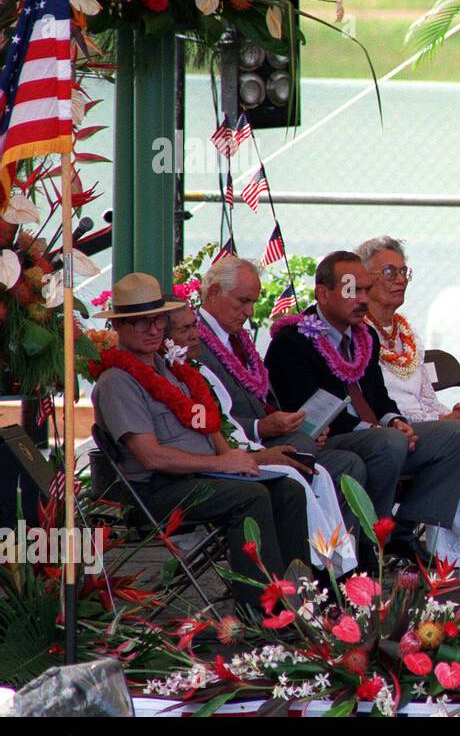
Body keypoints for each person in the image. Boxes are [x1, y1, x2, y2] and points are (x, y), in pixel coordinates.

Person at [89, 273, 310, 611]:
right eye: (138, 323)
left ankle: (301, 600)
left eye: (157, 320)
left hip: (204, 477)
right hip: (158, 489)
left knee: (288, 489)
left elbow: (209, 427)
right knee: (249, 497)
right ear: (119, 327)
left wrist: (244, 459)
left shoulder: (174, 369)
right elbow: (151, 458)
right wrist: (222, 464)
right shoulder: (117, 381)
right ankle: (265, 611)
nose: (151, 330)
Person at [265, 251, 460, 564]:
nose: (363, 299)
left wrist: (395, 420)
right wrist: (381, 431)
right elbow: (308, 416)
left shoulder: (365, 337)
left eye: (366, 289)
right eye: (353, 291)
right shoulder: (294, 340)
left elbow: (377, 396)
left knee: (456, 435)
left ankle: (401, 531)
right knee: (388, 441)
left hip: (375, 436)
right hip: (327, 439)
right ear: (323, 293)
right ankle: (368, 540)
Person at [358, 235, 460, 589]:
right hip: (391, 432)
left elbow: (425, 398)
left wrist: (456, 412)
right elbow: (377, 403)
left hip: (429, 427)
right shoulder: (359, 334)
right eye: (389, 271)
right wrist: (445, 423)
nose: (400, 278)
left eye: (404, 271)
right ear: (364, 278)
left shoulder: (407, 333)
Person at [166, 304, 358, 576]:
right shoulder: (167, 380)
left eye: (195, 325)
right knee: (291, 481)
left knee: (319, 474)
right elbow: (205, 446)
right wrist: (260, 457)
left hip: (239, 452)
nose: (195, 335)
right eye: (185, 329)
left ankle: (339, 571)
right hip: (206, 472)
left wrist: (257, 454)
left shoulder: (199, 370)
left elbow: (223, 431)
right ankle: (312, 578)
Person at [195, 256, 368, 504]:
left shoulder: (238, 339)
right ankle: (303, 540)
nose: (250, 312)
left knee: (348, 464)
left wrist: (301, 425)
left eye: (253, 302)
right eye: (243, 301)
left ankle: (343, 542)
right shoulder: (194, 344)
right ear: (213, 292)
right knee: (304, 448)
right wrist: (260, 427)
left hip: (275, 440)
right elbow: (206, 420)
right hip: (234, 449)